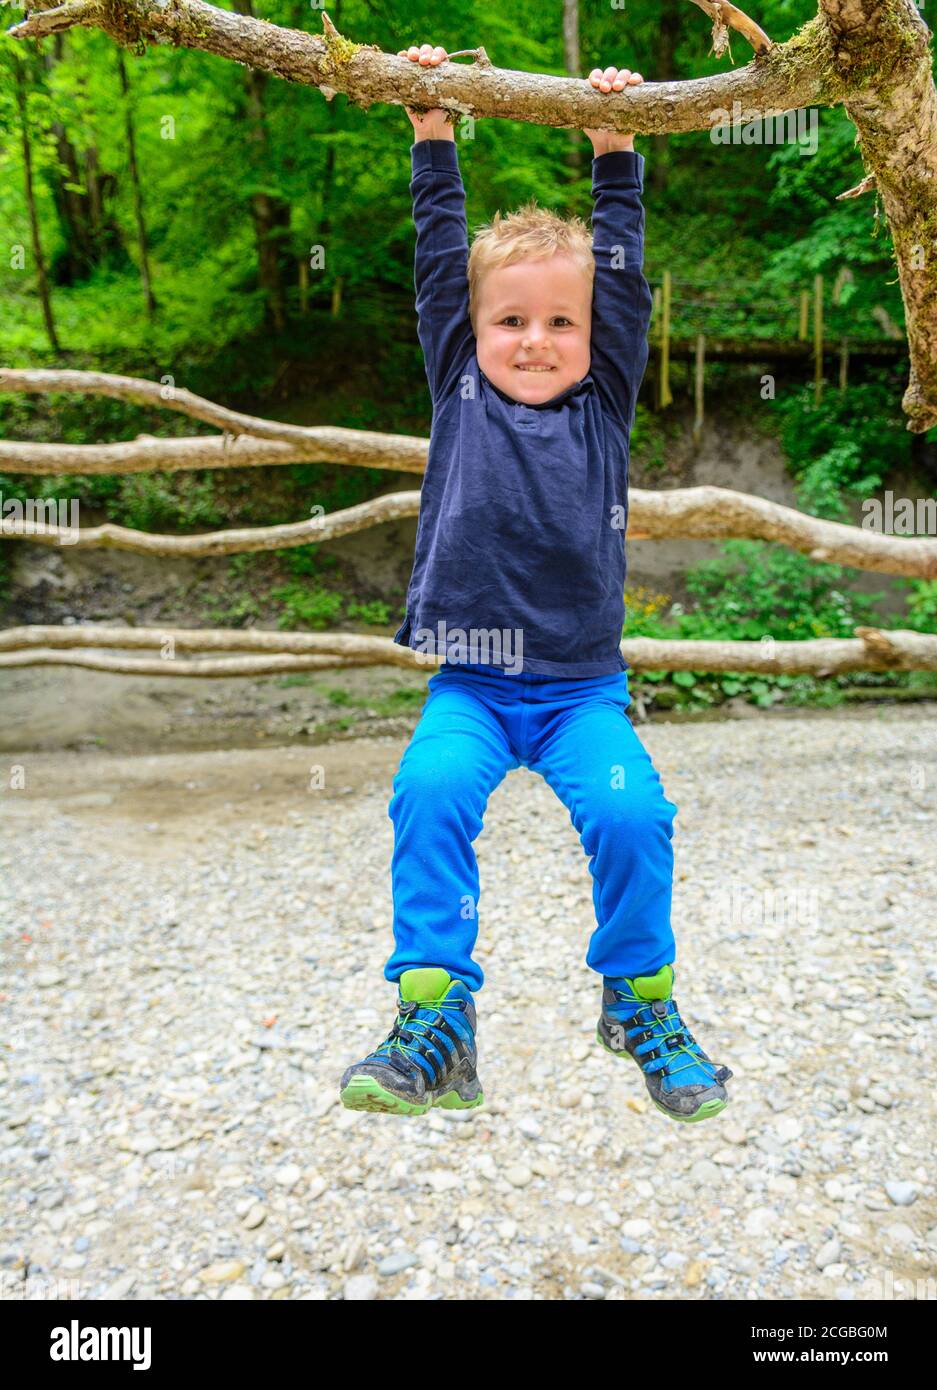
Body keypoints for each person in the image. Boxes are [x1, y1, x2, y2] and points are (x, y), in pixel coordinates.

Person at [339, 42, 733, 1123]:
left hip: (575, 692)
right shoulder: (455, 381)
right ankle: (436, 1020)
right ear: (471, 331)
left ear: (591, 335)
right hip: (469, 684)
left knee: (633, 814)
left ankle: (637, 999)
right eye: (510, 319)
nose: (533, 338)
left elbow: (620, 275)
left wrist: (614, 150)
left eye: (558, 321)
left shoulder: (603, 400)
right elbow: (436, 258)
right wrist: (432, 130)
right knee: (426, 796)